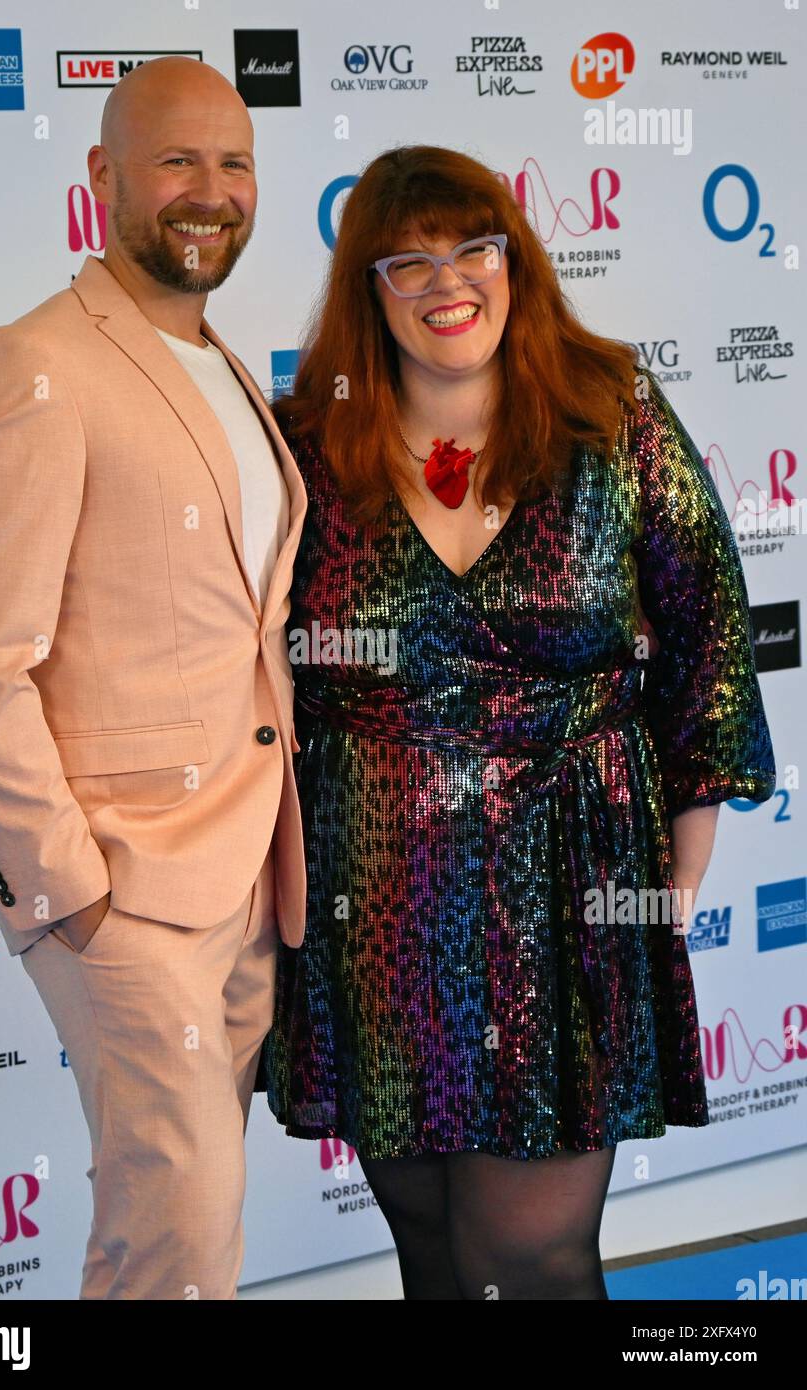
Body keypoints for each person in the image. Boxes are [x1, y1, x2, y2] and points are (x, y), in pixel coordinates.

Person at [261, 144, 776, 1300]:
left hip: (572, 882)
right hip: (379, 893)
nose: (449, 280)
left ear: (515, 259)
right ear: (369, 287)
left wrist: (677, 866)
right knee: (435, 1247)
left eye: (474, 247)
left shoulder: (610, 406)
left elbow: (706, 616)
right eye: (410, 259)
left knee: (529, 1258)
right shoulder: (309, 442)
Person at [0, 57, 308, 1300]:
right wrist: (72, 900)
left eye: (234, 163)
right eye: (177, 161)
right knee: (178, 1246)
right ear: (101, 180)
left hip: (248, 878)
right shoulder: (25, 365)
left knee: (165, 1236)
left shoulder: (230, 368)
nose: (211, 191)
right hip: (124, 895)